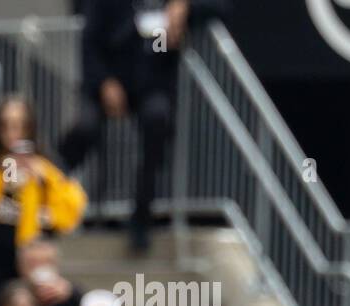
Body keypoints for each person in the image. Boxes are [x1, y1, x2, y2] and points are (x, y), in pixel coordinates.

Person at [59, 0, 227, 251]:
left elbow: (222, 7)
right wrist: (105, 82)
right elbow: (89, 41)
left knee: (157, 121)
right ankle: (45, 191)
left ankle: (141, 219)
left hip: (151, 84)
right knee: (84, 127)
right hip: (106, 80)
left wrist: (184, 5)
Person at [0, 97, 86, 306]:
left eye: (20, 126)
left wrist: (45, 178)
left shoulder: (49, 166)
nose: (12, 134)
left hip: (38, 268)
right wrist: (2, 179)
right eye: (6, 126)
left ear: (31, 129)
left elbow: (69, 215)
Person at [18, 238, 82, 306]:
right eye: (32, 263)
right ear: (21, 267)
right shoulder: (12, 295)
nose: (39, 268)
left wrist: (72, 294)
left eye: (46, 262)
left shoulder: (70, 293)